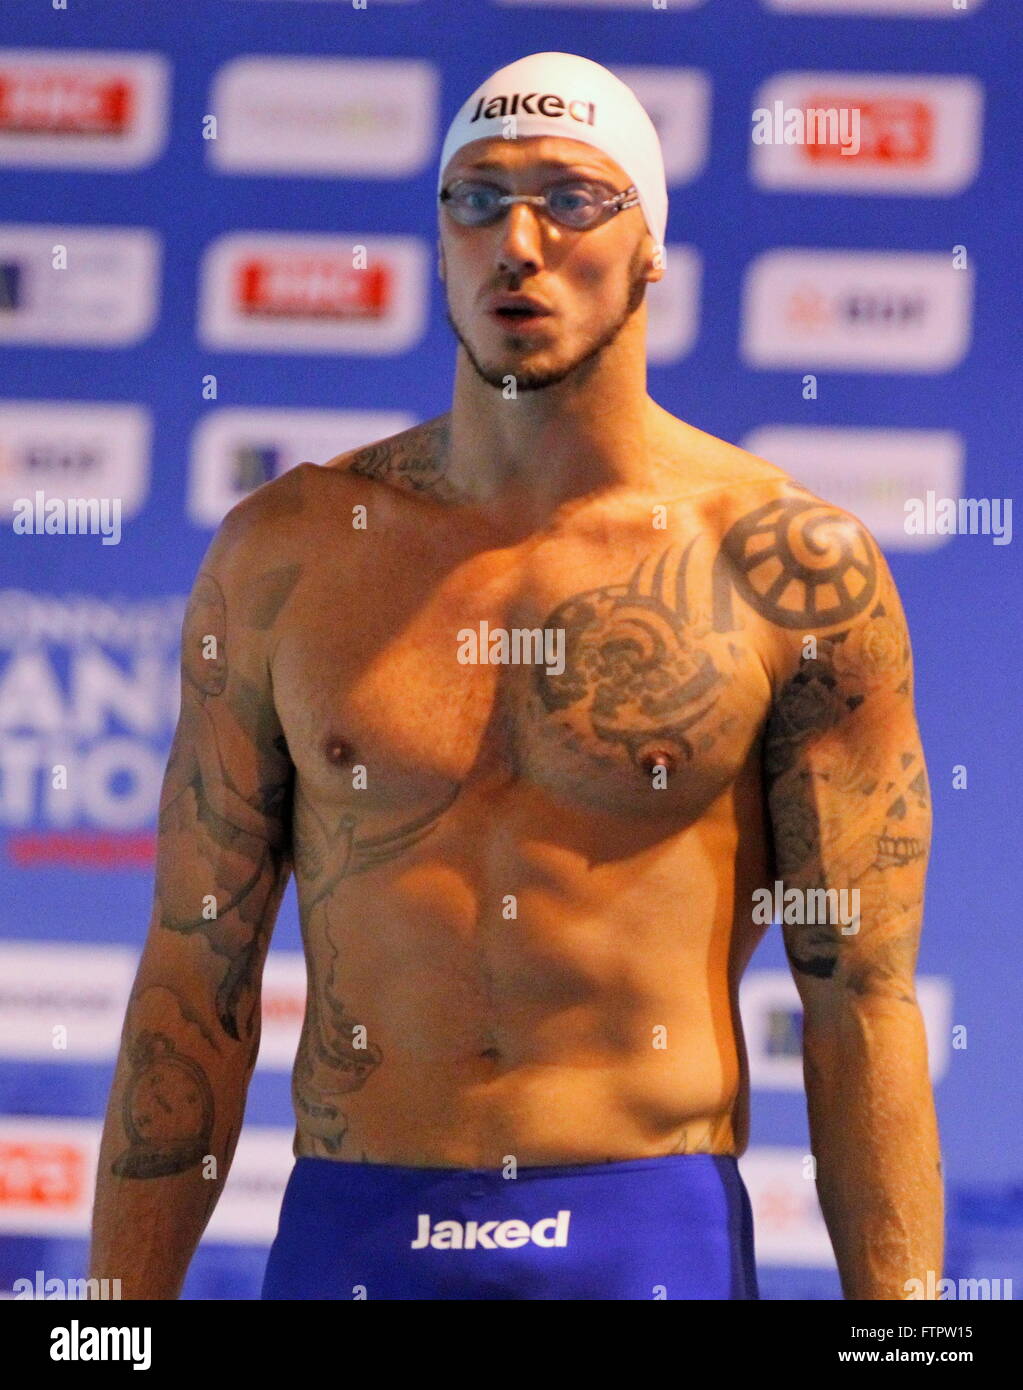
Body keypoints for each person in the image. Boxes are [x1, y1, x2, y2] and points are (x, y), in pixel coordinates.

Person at [89, 52, 942, 1300]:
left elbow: (859, 1000)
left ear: (652, 246)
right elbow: (191, 979)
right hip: (355, 1234)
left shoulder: (785, 569)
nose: (518, 243)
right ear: (440, 240)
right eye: (477, 200)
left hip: (646, 1239)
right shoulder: (290, 553)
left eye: (572, 198)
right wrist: (111, 1322)